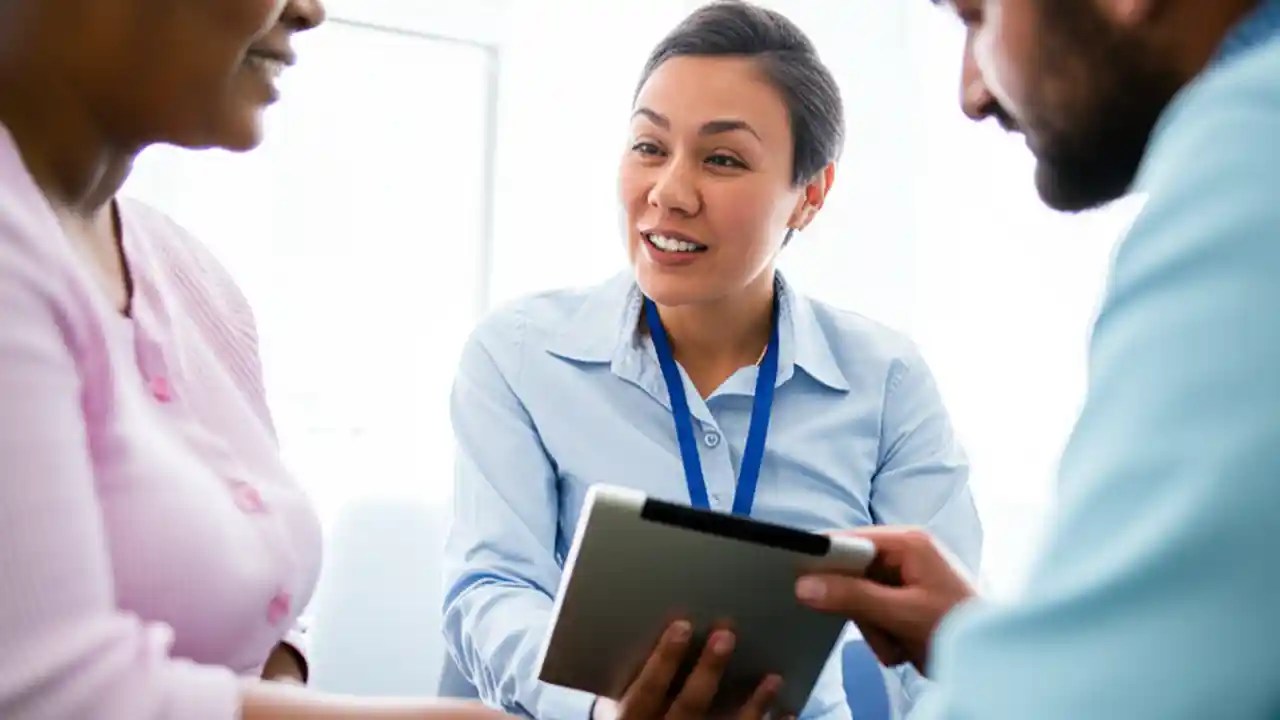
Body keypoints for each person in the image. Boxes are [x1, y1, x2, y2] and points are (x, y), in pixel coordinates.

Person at [442, 2, 982, 718]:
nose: (669, 192)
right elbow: (492, 591)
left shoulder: (884, 380)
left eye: (722, 159)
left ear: (809, 195)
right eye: (648, 146)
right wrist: (606, 713)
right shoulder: (519, 356)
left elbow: (945, 648)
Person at [0, 1, 509, 718]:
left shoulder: (191, 280)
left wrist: (281, 677)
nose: (309, 10)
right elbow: (56, 698)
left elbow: (260, 622)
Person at [794, 0, 1280, 717]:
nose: (972, 92)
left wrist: (1031, 674)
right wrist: (1016, 646)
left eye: (976, 16)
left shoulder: (1252, 149)